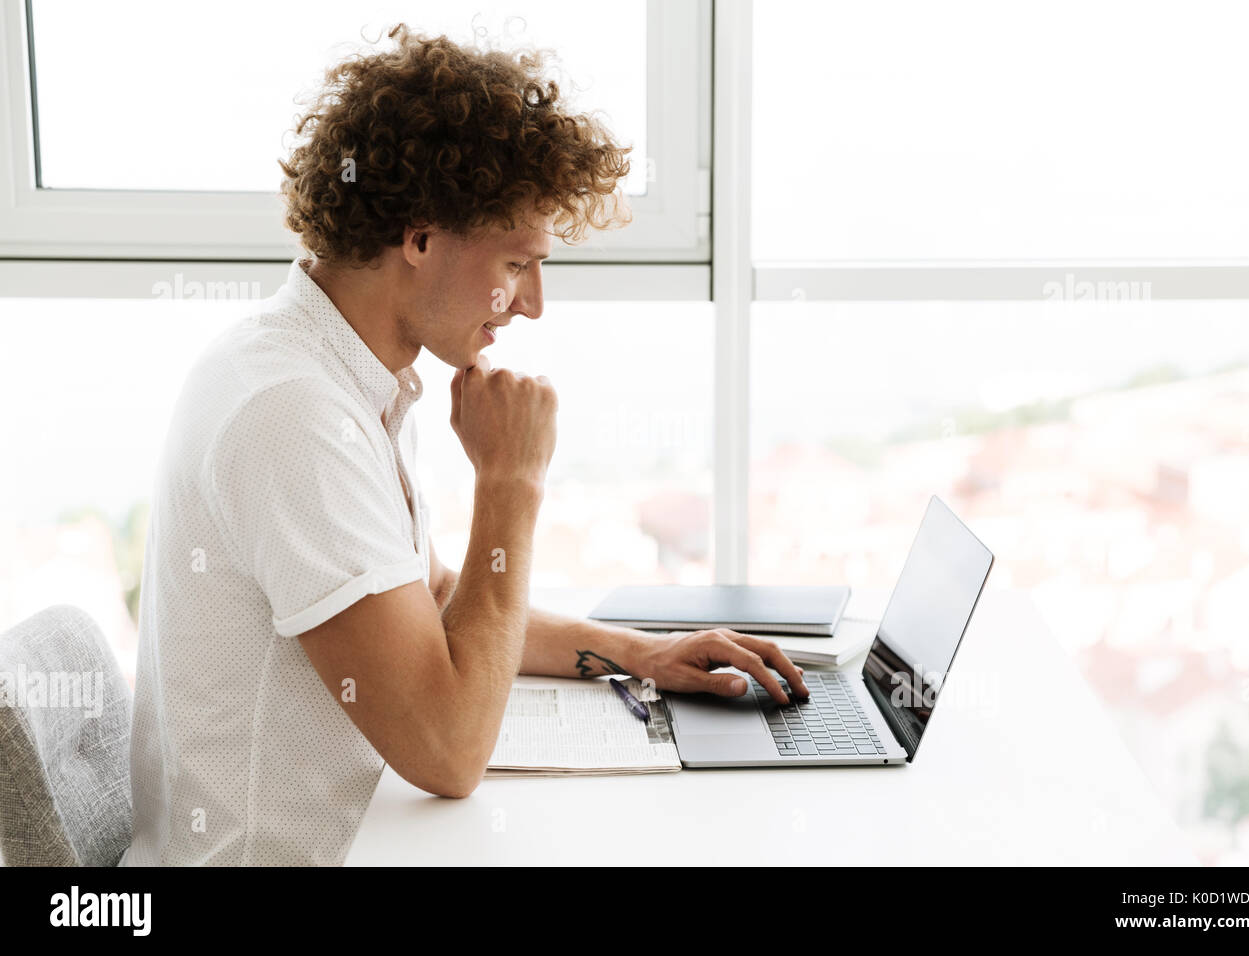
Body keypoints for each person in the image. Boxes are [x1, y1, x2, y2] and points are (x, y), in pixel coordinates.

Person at [121, 23, 808, 866]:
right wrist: (510, 482)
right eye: (519, 263)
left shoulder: (327, 367)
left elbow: (432, 592)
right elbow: (448, 754)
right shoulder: (293, 417)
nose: (533, 304)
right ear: (419, 238)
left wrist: (643, 655)